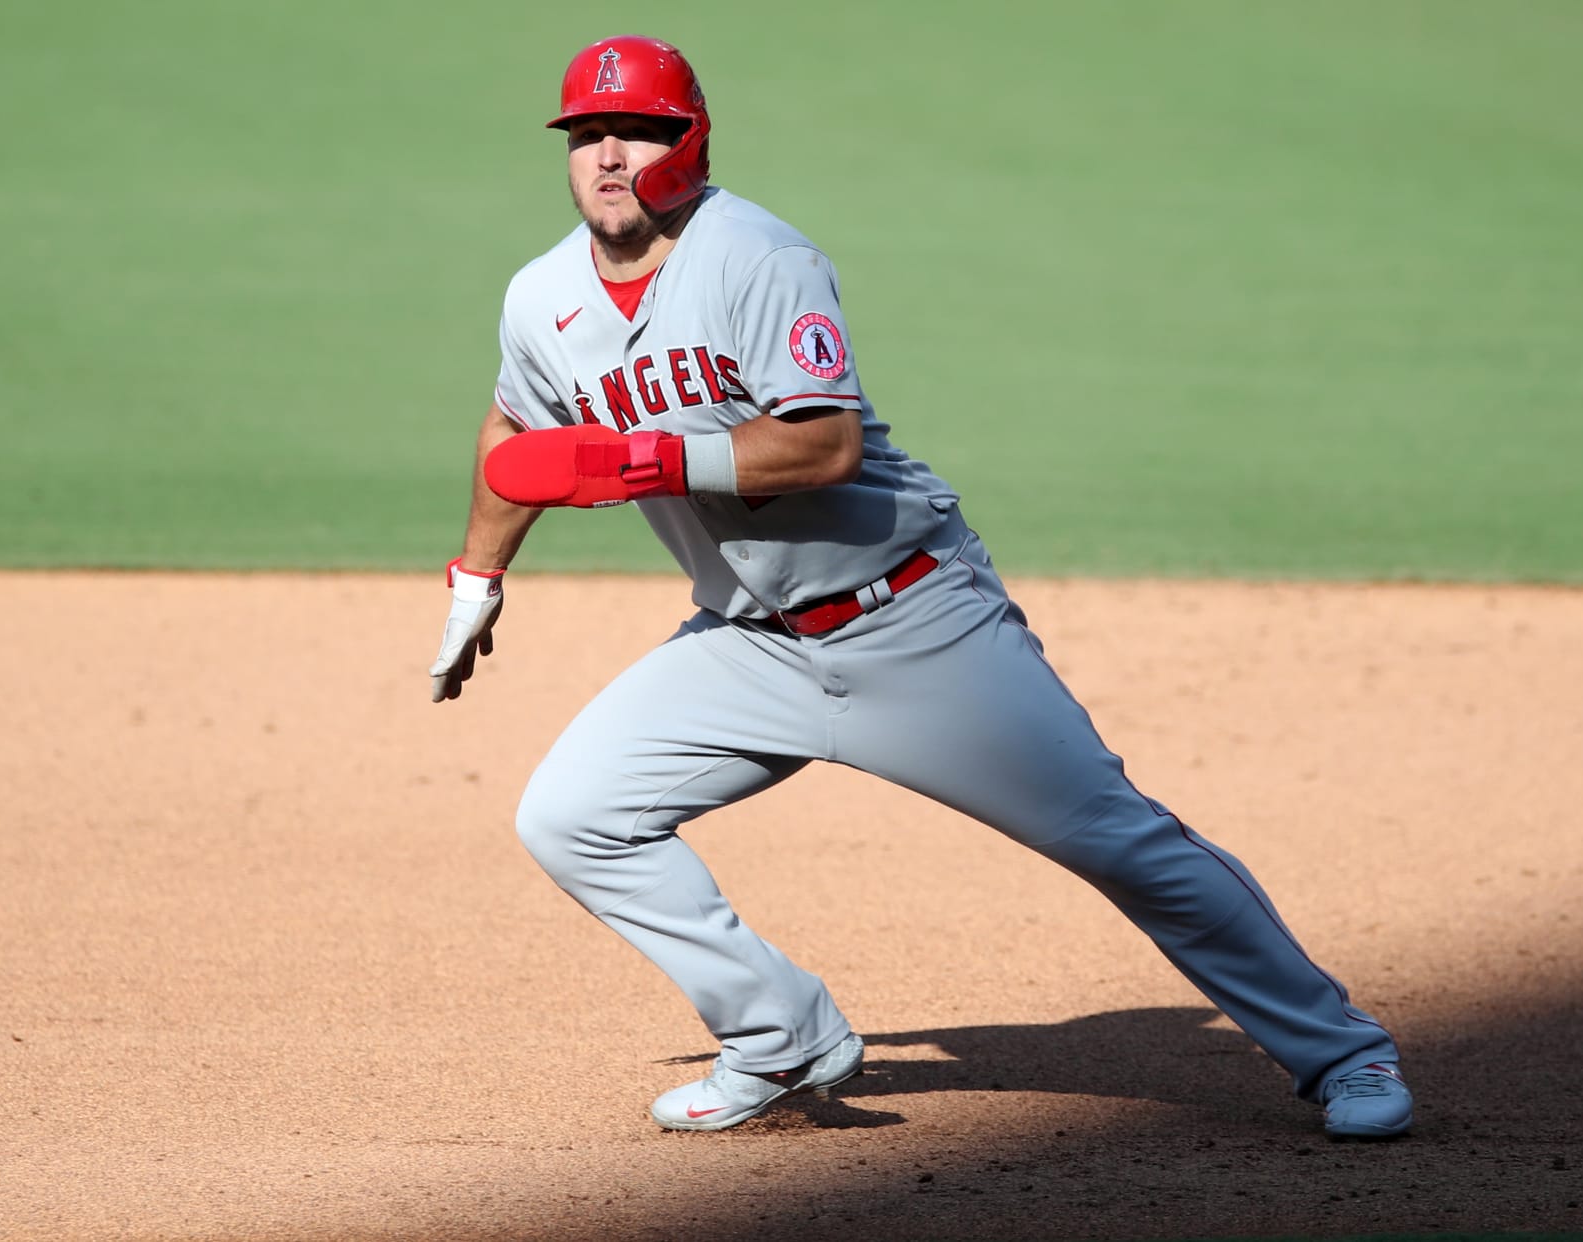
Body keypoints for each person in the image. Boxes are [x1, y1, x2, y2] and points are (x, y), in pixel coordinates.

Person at [429, 34, 1412, 1140]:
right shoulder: (542, 295)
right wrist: (480, 571)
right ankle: (779, 1035)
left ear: (688, 140)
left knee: (1119, 841)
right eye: (588, 134)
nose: (609, 155)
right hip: (749, 642)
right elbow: (518, 423)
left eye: (639, 130)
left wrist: (648, 461)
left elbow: (825, 445)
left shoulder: (758, 258)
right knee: (573, 816)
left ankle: (1344, 1055)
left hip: (914, 620)